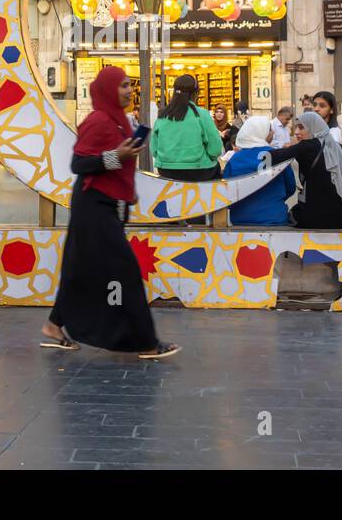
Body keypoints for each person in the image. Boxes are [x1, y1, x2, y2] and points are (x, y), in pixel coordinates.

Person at [41, 66, 178, 359]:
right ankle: (146, 341)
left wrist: (124, 179)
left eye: (130, 85)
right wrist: (118, 156)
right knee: (126, 270)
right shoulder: (98, 121)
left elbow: (111, 166)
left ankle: (54, 325)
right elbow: (79, 164)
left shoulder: (120, 122)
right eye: (123, 86)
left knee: (80, 268)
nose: (129, 90)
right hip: (93, 206)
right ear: (107, 90)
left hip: (106, 205)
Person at [262, 111, 342, 229]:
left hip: (319, 218)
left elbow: (271, 158)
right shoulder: (340, 148)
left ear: (313, 128)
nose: (297, 132)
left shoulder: (307, 146)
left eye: (301, 128)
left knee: (289, 216)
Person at [225, 116, 296, 226]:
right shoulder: (278, 155)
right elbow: (290, 187)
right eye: (270, 130)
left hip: (240, 218)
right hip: (274, 217)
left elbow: (226, 191)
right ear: (262, 132)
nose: (273, 132)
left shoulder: (235, 159)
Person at [151, 75, 224, 182]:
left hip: (166, 170)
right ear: (195, 94)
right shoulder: (201, 114)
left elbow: (154, 150)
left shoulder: (162, 115)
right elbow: (216, 149)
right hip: (198, 170)